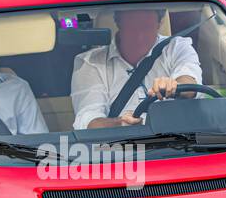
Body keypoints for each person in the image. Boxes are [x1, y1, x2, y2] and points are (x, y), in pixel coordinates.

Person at [70, 8, 202, 130]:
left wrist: (175, 86)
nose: (139, 37)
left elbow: (190, 83)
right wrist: (120, 122)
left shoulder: (178, 47)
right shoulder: (90, 62)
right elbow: (88, 121)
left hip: (177, 142)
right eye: (131, 28)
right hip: (118, 147)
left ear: (159, 24)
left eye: (146, 28)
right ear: (118, 23)